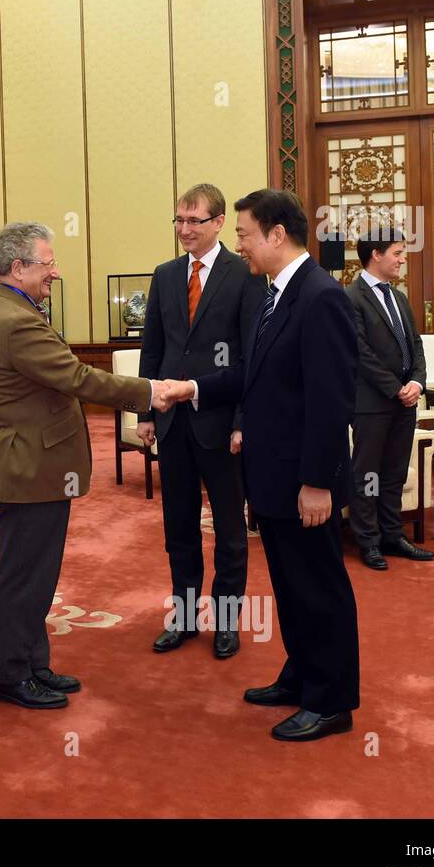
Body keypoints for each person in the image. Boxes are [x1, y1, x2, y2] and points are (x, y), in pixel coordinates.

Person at [160, 189, 359, 741]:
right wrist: (193, 387)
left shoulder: (319, 297)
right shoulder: (276, 293)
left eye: (245, 233)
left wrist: (317, 482)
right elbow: (251, 371)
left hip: (303, 480)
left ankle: (332, 701)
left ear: (275, 234)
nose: (240, 243)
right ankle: (301, 676)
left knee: (319, 589)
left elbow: (330, 400)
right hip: (271, 477)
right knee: (292, 586)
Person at [0, 222, 155, 709]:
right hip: (29, 467)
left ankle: (32, 663)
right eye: (47, 263)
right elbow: (78, 377)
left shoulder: (15, 309)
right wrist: (153, 392)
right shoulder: (16, 320)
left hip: (37, 463)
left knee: (37, 573)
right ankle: (10, 674)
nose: (55, 272)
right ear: (18, 267)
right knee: (25, 576)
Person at [139, 184, 265, 659]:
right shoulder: (165, 275)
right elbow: (154, 348)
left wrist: (241, 420)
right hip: (172, 423)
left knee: (230, 530)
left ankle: (227, 622)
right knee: (179, 529)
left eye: (195, 221)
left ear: (217, 224)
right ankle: (186, 618)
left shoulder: (245, 274)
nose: (184, 229)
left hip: (221, 423)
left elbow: (251, 357)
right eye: (178, 220)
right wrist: (147, 412)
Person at [347, 225, 434, 570]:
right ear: (376, 255)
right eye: (397, 253)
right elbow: (359, 353)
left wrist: (417, 383)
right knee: (367, 473)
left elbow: (415, 344)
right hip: (371, 403)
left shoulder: (398, 297)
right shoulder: (350, 297)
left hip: (405, 402)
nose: (402, 259)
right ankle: (367, 541)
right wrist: (394, 387)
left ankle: (392, 534)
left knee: (394, 472)